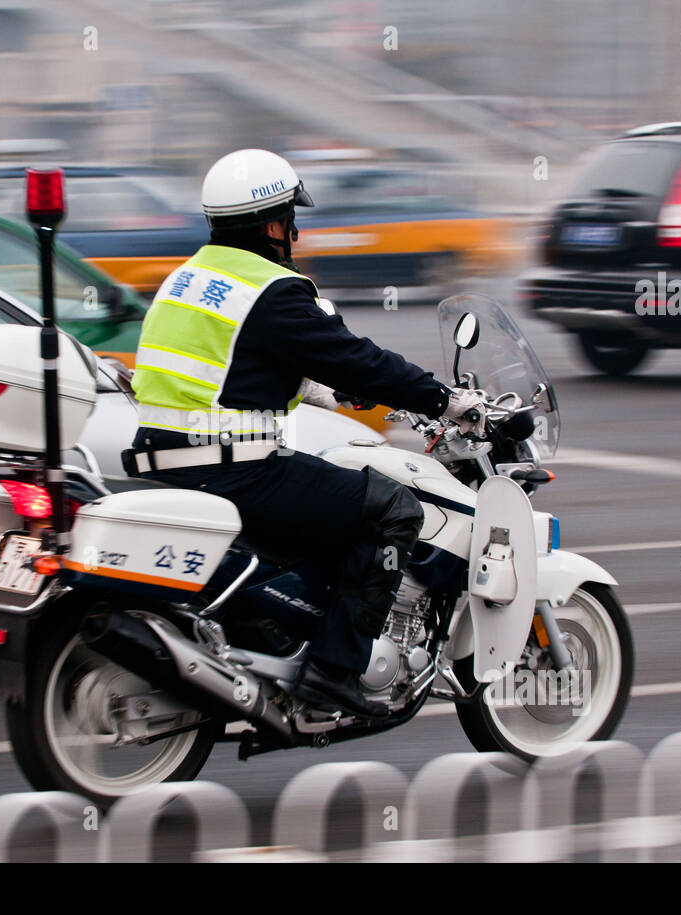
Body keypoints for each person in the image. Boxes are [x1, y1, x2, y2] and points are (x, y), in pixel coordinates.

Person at [124, 149, 480, 719]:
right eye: (292, 218)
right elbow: (357, 360)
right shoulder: (274, 289)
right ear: (272, 225)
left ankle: (283, 631)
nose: (295, 231)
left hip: (159, 458)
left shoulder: (185, 280)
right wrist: (445, 400)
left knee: (329, 507)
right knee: (394, 511)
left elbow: (230, 370)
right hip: (234, 468)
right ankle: (335, 672)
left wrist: (314, 389)